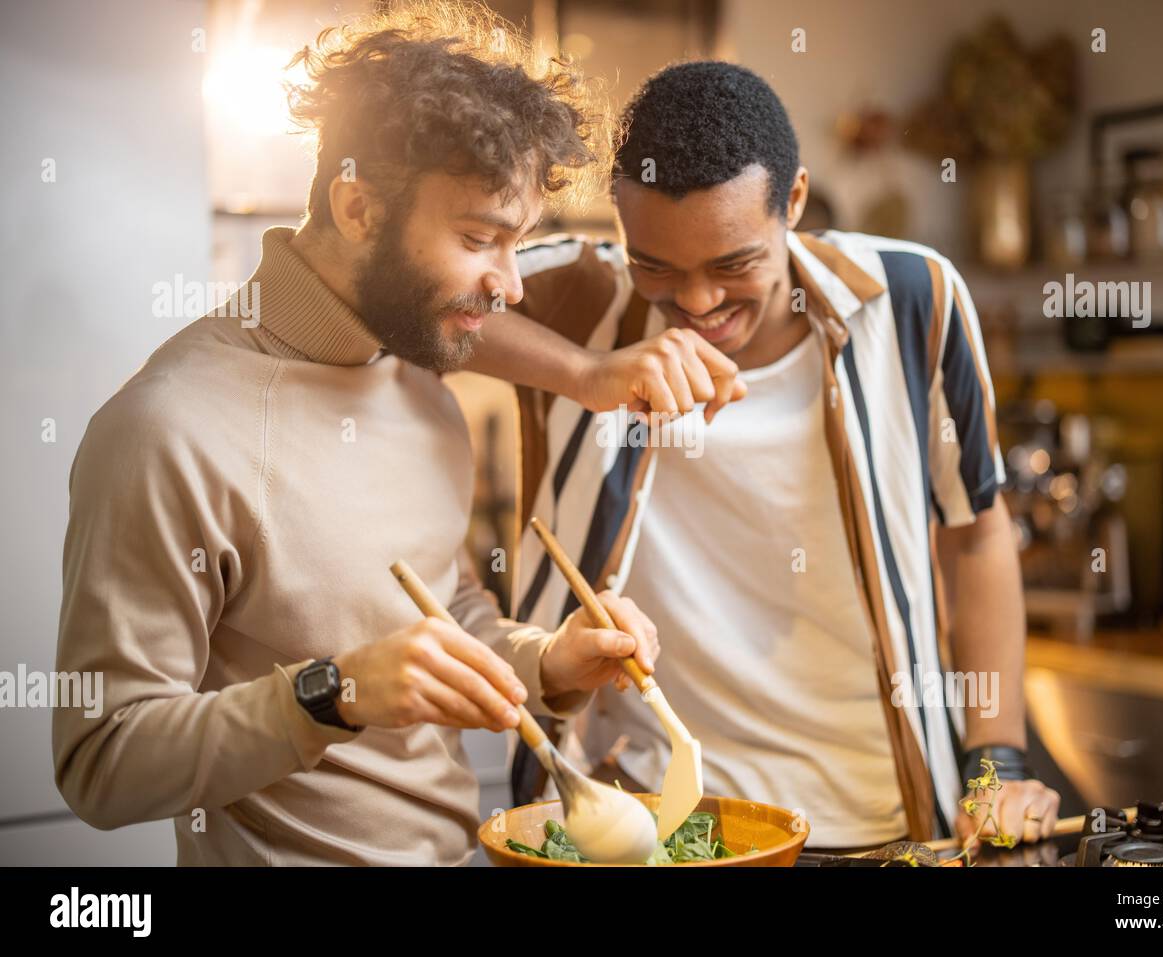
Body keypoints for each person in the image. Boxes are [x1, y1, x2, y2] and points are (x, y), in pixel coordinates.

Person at [52, 4, 684, 866]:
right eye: (476, 239)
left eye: (519, 244)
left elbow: (445, 611)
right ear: (356, 206)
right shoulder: (165, 430)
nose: (511, 285)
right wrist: (330, 694)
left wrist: (550, 662)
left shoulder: (422, 382)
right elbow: (100, 763)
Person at [471, 61, 1061, 850]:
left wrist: (995, 763)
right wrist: (586, 373)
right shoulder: (583, 297)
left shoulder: (914, 298)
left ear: (795, 202)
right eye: (657, 266)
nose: (698, 302)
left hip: (886, 822)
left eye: (733, 265)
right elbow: (405, 305)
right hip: (655, 831)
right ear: (619, 220)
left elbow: (977, 532)